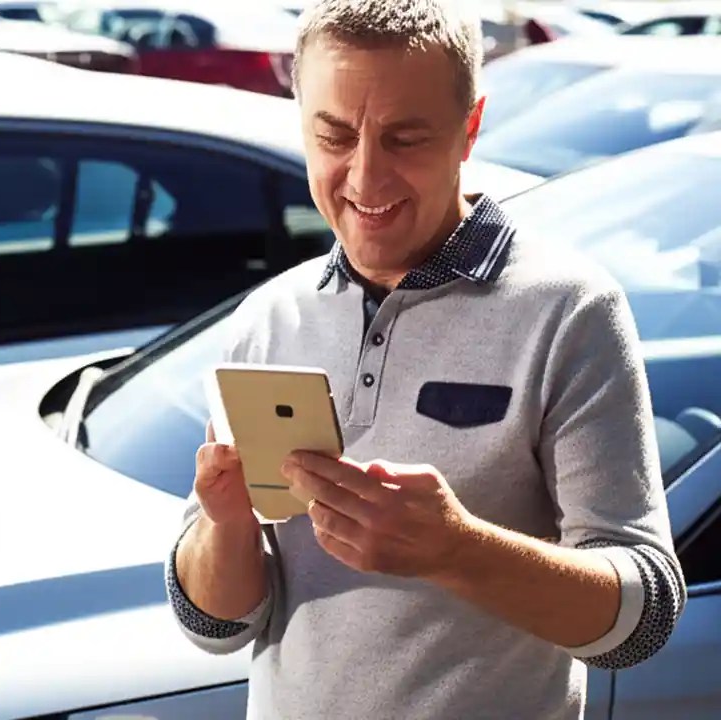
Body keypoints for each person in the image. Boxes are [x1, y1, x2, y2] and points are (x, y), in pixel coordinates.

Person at [165, 1, 685, 718]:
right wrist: (225, 526)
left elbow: (644, 615)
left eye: (405, 139)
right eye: (335, 136)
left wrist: (456, 549)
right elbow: (217, 626)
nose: (365, 179)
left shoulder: (570, 310)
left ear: (469, 127)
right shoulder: (269, 318)